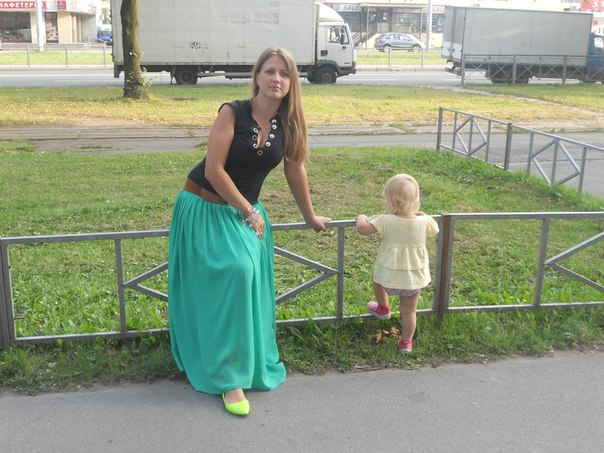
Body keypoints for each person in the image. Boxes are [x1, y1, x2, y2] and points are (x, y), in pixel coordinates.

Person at [167, 47, 330, 416]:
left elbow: (295, 170)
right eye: (270, 71)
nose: (276, 79)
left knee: (243, 279)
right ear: (257, 76)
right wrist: (248, 210)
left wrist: (309, 216)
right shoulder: (233, 112)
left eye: (284, 74)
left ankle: (243, 360)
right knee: (235, 273)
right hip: (204, 208)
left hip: (243, 214)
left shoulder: (289, 125)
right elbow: (214, 170)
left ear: (292, 83)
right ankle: (229, 377)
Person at [356, 174, 439, 354]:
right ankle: (406, 343)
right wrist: (423, 215)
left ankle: (383, 307)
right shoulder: (424, 221)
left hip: (388, 276)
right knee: (409, 312)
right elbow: (435, 228)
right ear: (416, 200)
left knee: (376, 280)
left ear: (389, 200)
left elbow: (363, 229)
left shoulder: (386, 220)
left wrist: (361, 217)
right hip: (413, 278)